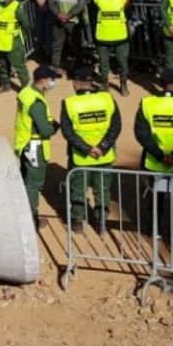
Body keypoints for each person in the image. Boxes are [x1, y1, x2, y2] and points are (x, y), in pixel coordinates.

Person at [61, 66, 121, 232]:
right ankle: (101, 223)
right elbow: (116, 126)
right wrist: (103, 146)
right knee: (103, 191)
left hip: (80, 158)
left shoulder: (69, 103)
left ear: (75, 83)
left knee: (78, 190)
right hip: (104, 156)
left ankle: (76, 222)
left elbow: (67, 131)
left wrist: (87, 149)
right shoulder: (107, 99)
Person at [15, 66, 61, 224]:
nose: (53, 82)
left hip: (24, 143)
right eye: (51, 79)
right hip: (35, 146)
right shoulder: (36, 102)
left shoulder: (26, 92)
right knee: (34, 184)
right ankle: (30, 219)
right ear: (43, 80)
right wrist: (54, 127)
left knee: (26, 179)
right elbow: (45, 130)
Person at [92, 0, 131, 96]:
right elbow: (93, 13)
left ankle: (123, 84)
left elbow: (129, 12)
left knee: (122, 61)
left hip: (121, 34)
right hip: (102, 34)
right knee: (103, 62)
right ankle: (105, 84)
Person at [0, 0, 31, 94]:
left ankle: (26, 89)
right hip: (0, 40)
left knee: (19, 65)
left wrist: (21, 36)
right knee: (3, 64)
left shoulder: (17, 7)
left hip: (14, 41)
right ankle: (5, 85)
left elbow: (25, 24)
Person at [48, 0, 89, 72]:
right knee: (57, 44)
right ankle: (55, 66)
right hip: (58, 18)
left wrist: (68, 15)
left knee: (76, 45)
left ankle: (78, 67)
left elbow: (81, 3)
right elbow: (50, 0)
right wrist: (58, 14)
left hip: (73, 20)